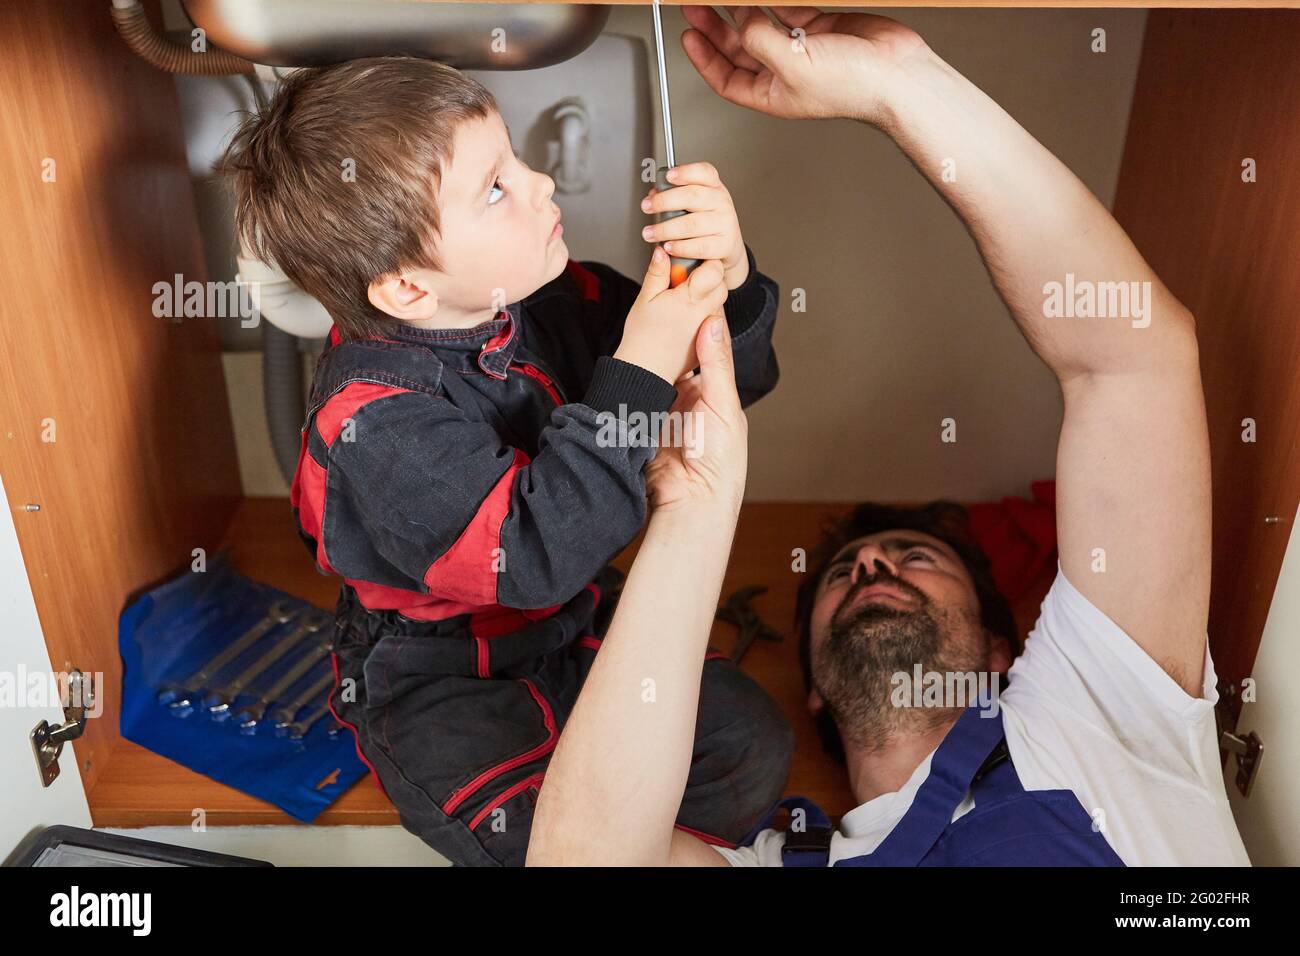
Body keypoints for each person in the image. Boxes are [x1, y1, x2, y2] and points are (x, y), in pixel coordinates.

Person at [526, 6, 1249, 867]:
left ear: (998, 652)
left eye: (912, 557)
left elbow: (1132, 360)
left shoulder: (1097, 716)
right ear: (818, 698)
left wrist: (900, 82)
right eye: (846, 573)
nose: (871, 565)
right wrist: (693, 503)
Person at [217, 55, 793, 866]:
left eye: (517, 159)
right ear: (409, 290)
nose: (542, 184)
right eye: (496, 189)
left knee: (751, 744)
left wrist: (724, 281)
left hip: (574, 621)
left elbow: (732, 382)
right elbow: (534, 556)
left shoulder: (549, 298)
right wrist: (636, 373)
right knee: (525, 834)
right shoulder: (372, 420)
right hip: (443, 676)